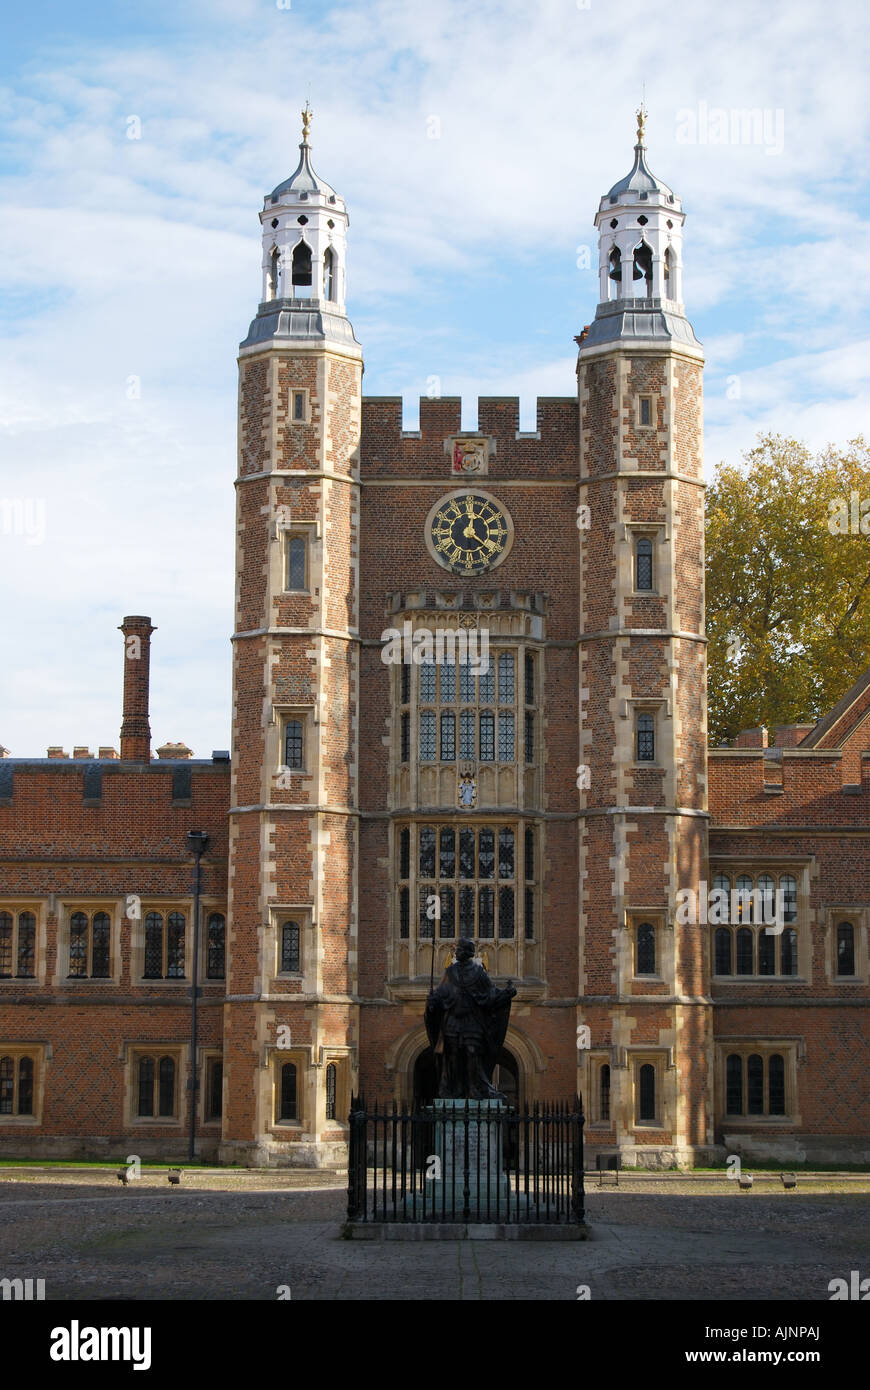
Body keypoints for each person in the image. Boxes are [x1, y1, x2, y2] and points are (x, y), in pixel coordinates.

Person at [424, 939, 516, 1100]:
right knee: (453, 1057)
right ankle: (455, 1090)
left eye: (459, 949)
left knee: (473, 1053)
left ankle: (474, 1089)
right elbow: (442, 992)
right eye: (456, 949)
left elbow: (490, 993)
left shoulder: (479, 972)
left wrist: (506, 993)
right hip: (452, 1021)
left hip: (472, 1021)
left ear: (467, 952)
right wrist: (433, 1002)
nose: (456, 952)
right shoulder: (450, 972)